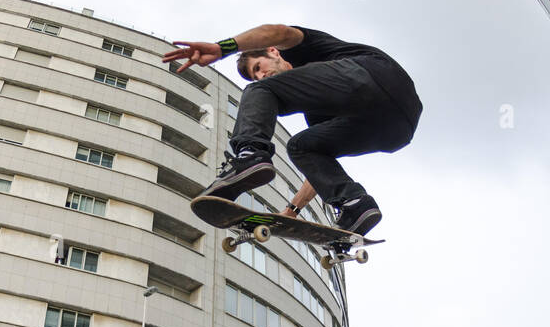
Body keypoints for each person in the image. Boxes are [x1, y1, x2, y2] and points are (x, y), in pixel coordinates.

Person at [165, 24, 421, 235]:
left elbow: (277, 32)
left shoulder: (301, 50)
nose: (261, 76)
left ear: (273, 52)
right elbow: (318, 168)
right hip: (398, 128)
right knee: (303, 147)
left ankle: (249, 155)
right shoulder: (317, 107)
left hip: (375, 75)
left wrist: (224, 48)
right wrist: (292, 212)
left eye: (258, 68)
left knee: (259, 93)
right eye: (255, 75)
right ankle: (354, 204)